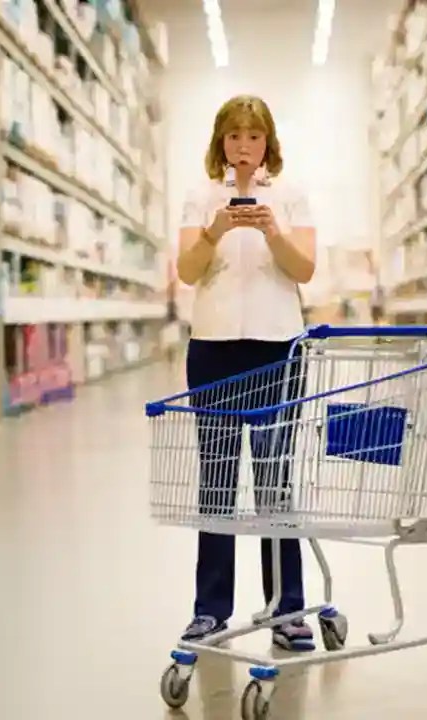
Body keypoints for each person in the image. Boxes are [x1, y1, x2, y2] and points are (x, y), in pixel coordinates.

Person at [175, 95, 317, 651]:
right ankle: (210, 610)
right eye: (234, 135)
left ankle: (288, 609)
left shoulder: (292, 195)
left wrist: (272, 231)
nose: (243, 146)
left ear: (267, 143)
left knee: (275, 480)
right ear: (220, 141)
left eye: (253, 136)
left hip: (277, 347)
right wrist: (213, 231)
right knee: (216, 481)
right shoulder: (199, 197)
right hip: (212, 350)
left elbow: (305, 268)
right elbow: (187, 272)